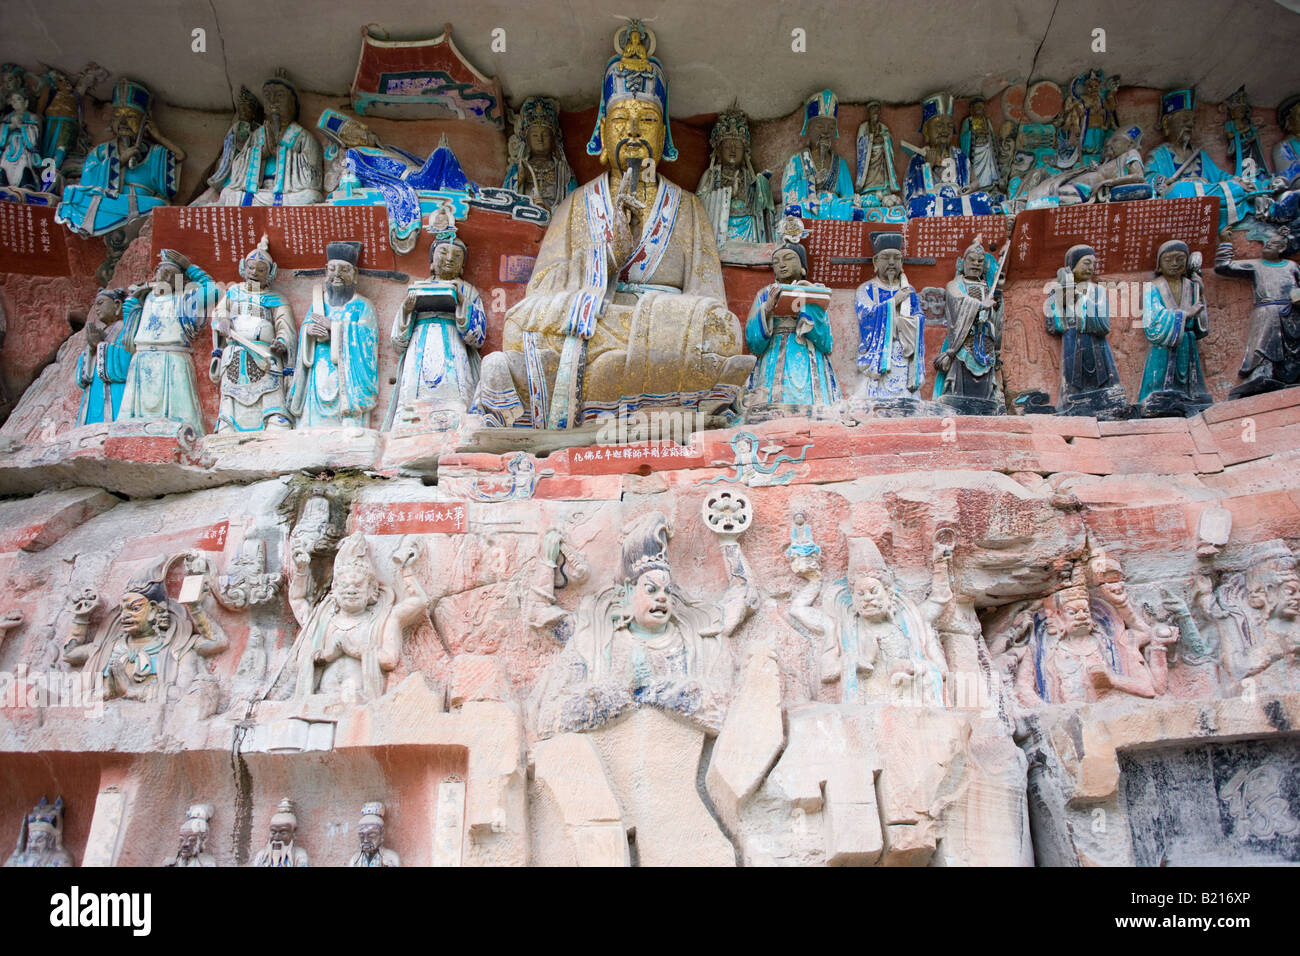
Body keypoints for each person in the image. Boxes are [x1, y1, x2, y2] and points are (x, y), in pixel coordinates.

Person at [475, 21, 752, 429]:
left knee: (723, 334)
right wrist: (605, 260)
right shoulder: (574, 206)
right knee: (517, 330)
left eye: (648, 120)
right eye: (621, 118)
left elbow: (711, 304)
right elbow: (540, 295)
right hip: (596, 325)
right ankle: (654, 390)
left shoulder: (690, 209)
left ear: (664, 135)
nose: (635, 130)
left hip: (666, 329)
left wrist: (655, 314)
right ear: (602, 131)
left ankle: (620, 377)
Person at [55, 78, 183, 236]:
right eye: (118, 116)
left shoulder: (154, 151)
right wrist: (120, 160)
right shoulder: (102, 151)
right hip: (108, 203)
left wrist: (159, 136)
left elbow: (180, 156)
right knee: (73, 193)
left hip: (141, 202)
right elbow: (88, 180)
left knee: (159, 205)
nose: (123, 122)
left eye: (130, 117)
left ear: (144, 122)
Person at [389, 227, 486, 428]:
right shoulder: (418, 287)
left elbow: (478, 337)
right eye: (443, 253)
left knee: (455, 400)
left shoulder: (468, 291)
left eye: (457, 256)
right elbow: (397, 341)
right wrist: (407, 311)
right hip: (420, 344)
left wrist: (462, 304)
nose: (449, 259)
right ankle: (410, 424)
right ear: (432, 262)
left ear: (462, 267)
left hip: (453, 344)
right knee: (414, 398)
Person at [743, 219, 839, 412]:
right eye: (776, 262)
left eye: (789, 259)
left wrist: (807, 306)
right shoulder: (765, 293)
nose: (782, 265)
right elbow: (753, 342)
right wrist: (767, 309)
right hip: (774, 349)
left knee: (812, 404)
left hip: (806, 348)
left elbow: (826, 342)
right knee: (771, 402)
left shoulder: (815, 291)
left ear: (803, 267)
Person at [118, 249, 217, 433]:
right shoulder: (144, 299)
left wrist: (190, 268)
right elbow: (129, 331)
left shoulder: (184, 299)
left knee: (183, 420)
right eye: (161, 272)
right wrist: (132, 302)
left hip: (173, 357)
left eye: (172, 275)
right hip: (142, 358)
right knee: (131, 421)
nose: (165, 277)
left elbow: (213, 291)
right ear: (154, 274)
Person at [209, 236, 297, 432]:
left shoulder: (276, 299)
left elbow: (285, 326)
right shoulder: (233, 292)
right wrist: (223, 319)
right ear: (243, 268)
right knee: (232, 394)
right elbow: (219, 312)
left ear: (270, 273)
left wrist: (282, 342)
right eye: (251, 268)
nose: (254, 273)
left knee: (270, 390)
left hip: (265, 353)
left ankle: (275, 419)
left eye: (261, 270)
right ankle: (227, 423)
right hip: (235, 352)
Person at [287, 241, 379, 428]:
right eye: (333, 269)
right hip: (317, 371)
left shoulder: (363, 305)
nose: (337, 275)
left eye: (345, 270)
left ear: (355, 274)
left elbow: (369, 340)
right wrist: (308, 332)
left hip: (348, 380)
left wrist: (336, 329)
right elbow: (306, 329)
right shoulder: (318, 304)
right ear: (325, 271)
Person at [1214, 229, 1300, 397]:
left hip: (1291, 312)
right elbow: (1224, 266)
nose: (1267, 247)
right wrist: (1225, 243)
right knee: (1263, 344)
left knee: (1293, 348)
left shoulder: (1291, 266)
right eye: (1266, 244)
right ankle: (1261, 373)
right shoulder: (1256, 265)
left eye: (1272, 245)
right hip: (1266, 310)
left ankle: (1290, 374)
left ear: (1282, 248)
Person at [218, 71, 322, 206]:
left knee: (312, 195)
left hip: (290, 195)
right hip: (257, 193)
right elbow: (237, 167)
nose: (273, 101)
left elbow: (314, 178)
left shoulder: (303, 136)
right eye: (267, 96)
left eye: (279, 96)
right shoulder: (256, 135)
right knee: (227, 194)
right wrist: (259, 154)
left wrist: (278, 152)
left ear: (293, 103)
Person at [1045, 244, 1126, 416]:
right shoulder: (1059, 290)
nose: (1090, 268)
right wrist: (1064, 297)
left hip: (1096, 341)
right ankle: (1072, 401)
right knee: (1074, 375)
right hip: (1072, 338)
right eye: (1086, 263)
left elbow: (1104, 323)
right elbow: (1055, 323)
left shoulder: (1097, 291)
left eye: (1093, 264)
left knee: (1103, 372)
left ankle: (1107, 397)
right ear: (1072, 266)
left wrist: (1079, 300)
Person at [1138, 239, 1212, 417]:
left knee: (1190, 384)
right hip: (1164, 344)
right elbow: (1153, 318)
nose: (1174, 264)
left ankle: (1191, 399)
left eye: (1180, 259)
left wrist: (1199, 292)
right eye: (1168, 260)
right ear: (1159, 265)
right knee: (1159, 382)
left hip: (1187, 340)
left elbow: (1200, 322)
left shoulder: (1191, 286)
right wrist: (1184, 314)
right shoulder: (1153, 288)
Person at [854, 232, 925, 401]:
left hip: (904, 354)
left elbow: (919, 317)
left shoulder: (909, 291)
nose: (892, 262)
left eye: (897, 258)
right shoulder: (866, 290)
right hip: (880, 354)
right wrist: (893, 303)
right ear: (875, 262)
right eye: (886, 257)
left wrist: (909, 322)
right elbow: (866, 316)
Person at [933, 239, 1003, 410]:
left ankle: (987, 403)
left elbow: (995, 317)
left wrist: (996, 306)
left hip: (985, 340)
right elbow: (958, 301)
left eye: (980, 261)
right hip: (965, 340)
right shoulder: (955, 285)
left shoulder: (987, 287)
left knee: (986, 375)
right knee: (963, 374)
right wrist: (979, 305)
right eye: (972, 260)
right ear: (963, 262)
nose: (976, 264)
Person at [904, 92, 995, 217]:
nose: (945, 131)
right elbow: (912, 192)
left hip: (958, 199)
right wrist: (927, 166)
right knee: (916, 206)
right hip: (933, 201)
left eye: (949, 126)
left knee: (983, 199)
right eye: (939, 126)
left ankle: (954, 212)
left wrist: (970, 188)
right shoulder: (919, 158)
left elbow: (975, 182)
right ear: (926, 130)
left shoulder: (959, 156)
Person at [696, 106, 775, 245]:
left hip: (748, 228)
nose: (733, 150)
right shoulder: (711, 175)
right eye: (727, 147)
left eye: (738, 147)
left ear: (745, 153)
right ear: (718, 152)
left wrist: (762, 189)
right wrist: (727, 195)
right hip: (720, 228)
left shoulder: (750, 177)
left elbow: (761, 208)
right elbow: (699, 205)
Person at [782, 89, 857, 219]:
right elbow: (787, 193)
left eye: (831, 128)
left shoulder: (840, 163)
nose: (826, 132)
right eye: (820, 127)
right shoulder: (797, 160)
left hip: (835, 212)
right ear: (808, 128)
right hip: (807, 210)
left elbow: (848, 197)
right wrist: (811, 182)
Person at [503, 95, 577, 212]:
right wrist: (518, 180)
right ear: (527, 140)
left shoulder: (564, 171)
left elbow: (574, 203)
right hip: (525, 217)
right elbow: (505, 197)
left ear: (553, 139)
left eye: (545, 135)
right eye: (534, 135)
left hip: (555, 219)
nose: (540, 139)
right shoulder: (518, 168)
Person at [74, 288, 131, 426]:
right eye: (95, 305)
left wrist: (100, 346)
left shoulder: (125, 329)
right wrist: (92, 350)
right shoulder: (102, 331)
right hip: (94, 390)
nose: (97, 308)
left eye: (100, 303)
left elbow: (126, 362)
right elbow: (83, 374)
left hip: (116, 390)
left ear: (117, 305)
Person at [854, 101, 901, 207]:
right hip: (868, 158)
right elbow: (860, 142)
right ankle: (868, 191)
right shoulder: (863, 127)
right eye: (872, 109)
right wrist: (871, 139)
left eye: (877, 109)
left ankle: (883, 192)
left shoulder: (883, 127)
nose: (875, 111)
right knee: (868, 174)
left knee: (882, 172)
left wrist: (884, 139)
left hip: (882, 156)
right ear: (868, 112)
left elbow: (888, 138)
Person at [5, 798, 73, 867]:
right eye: (30, 841)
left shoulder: (60, 859)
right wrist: (18, 850)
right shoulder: (21, 858)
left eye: (39, 841)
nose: (33, 845)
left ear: (50, 841)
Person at [252, 798, 309, 867]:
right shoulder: (261, 856)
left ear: (293, 834)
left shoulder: (299, 855)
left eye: (283, 833)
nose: (276, 837)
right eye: (273, 832)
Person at [347, 802, 400, 867]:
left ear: (382, 835)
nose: (365, 840)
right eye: (362, 836)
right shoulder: (355, 860)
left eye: (371, 836)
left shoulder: (391, 858)